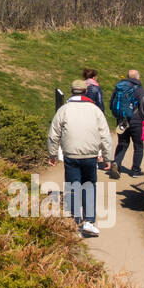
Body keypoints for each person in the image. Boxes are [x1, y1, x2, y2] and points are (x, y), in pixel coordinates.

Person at [46, 79, 113, 237]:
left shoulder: (64, 109)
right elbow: (105, 135)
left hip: (71, 154)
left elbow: (53, 134)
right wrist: (108, 157)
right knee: (89, 186)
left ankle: (75, 222)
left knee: (73, 187)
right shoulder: (95, 110)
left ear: (72, 91)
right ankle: (89, 221)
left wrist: (52, 154)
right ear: (85, 92)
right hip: (90, 155)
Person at [108, 70, 144, 179]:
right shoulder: (138, 88)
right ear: (137, 77)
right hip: (135, 121)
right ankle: (135, 170)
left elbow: (112, 103)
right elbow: (143, 104)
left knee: (122, 143)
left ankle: (117, 163)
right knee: (138, 145)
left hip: (121, 120)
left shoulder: (119, 87)